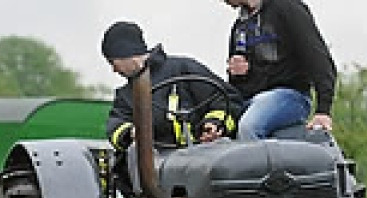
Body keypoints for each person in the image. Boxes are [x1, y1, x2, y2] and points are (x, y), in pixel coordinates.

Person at [102, 21, 243, 152]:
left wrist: (214, 124)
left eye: (112, 62)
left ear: (125, 54)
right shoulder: (125, 96)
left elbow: (228, 100)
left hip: (202, 158)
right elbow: (116, 126)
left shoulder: (184, 69)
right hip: (156, 165)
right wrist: (130, 133)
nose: (114, 70)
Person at [222, 0, 337, 140]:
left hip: (291, 96)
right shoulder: (239, 27)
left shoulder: (286, 7)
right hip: (252, 100)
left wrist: (323, 110)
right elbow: (238, 84)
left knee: (249, 127)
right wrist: (239, 74)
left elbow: (317, 57)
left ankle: (256, 161)